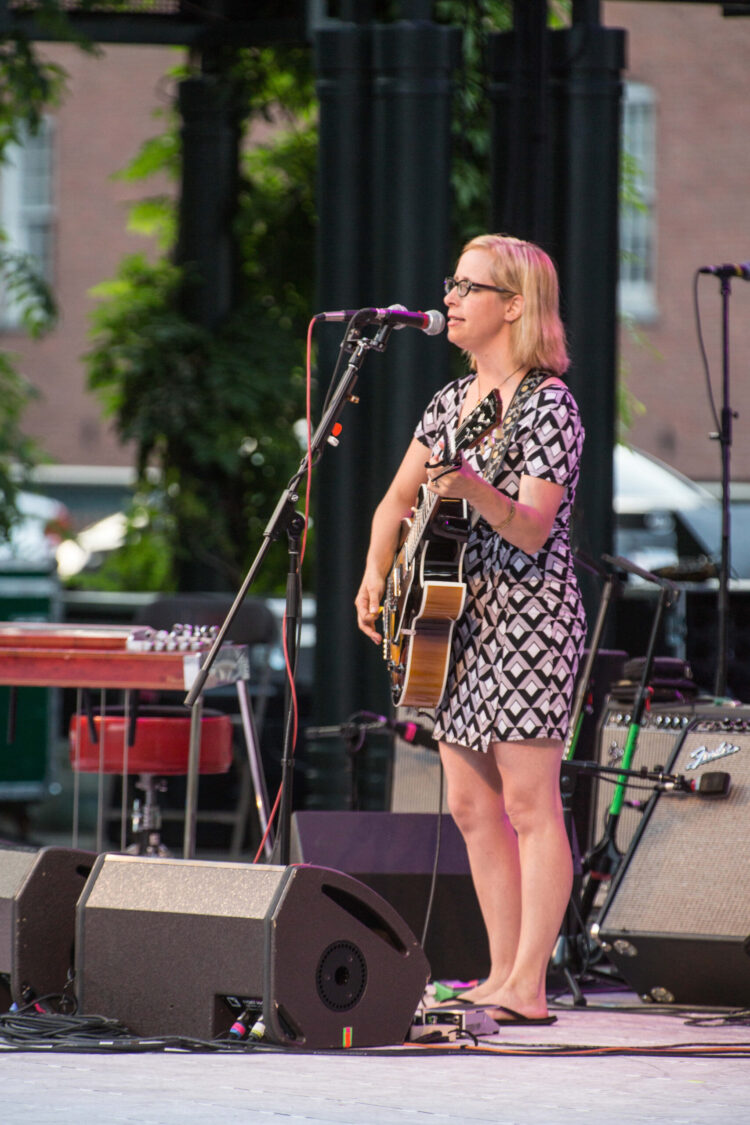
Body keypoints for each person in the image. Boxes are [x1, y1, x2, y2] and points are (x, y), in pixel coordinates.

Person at [355, 233, 587, 1026]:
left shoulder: (548, 403)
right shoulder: (450, 402)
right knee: (468, 803)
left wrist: (479, 489)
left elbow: (529, 527)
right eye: (449, 283)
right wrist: (376, 571)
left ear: (513, 306)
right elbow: (394, 502)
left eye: (466, 286)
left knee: (529, 803)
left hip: (528, 618)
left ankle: (530, 981)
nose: (449, 297)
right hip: (448, 623)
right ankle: (496, 971)